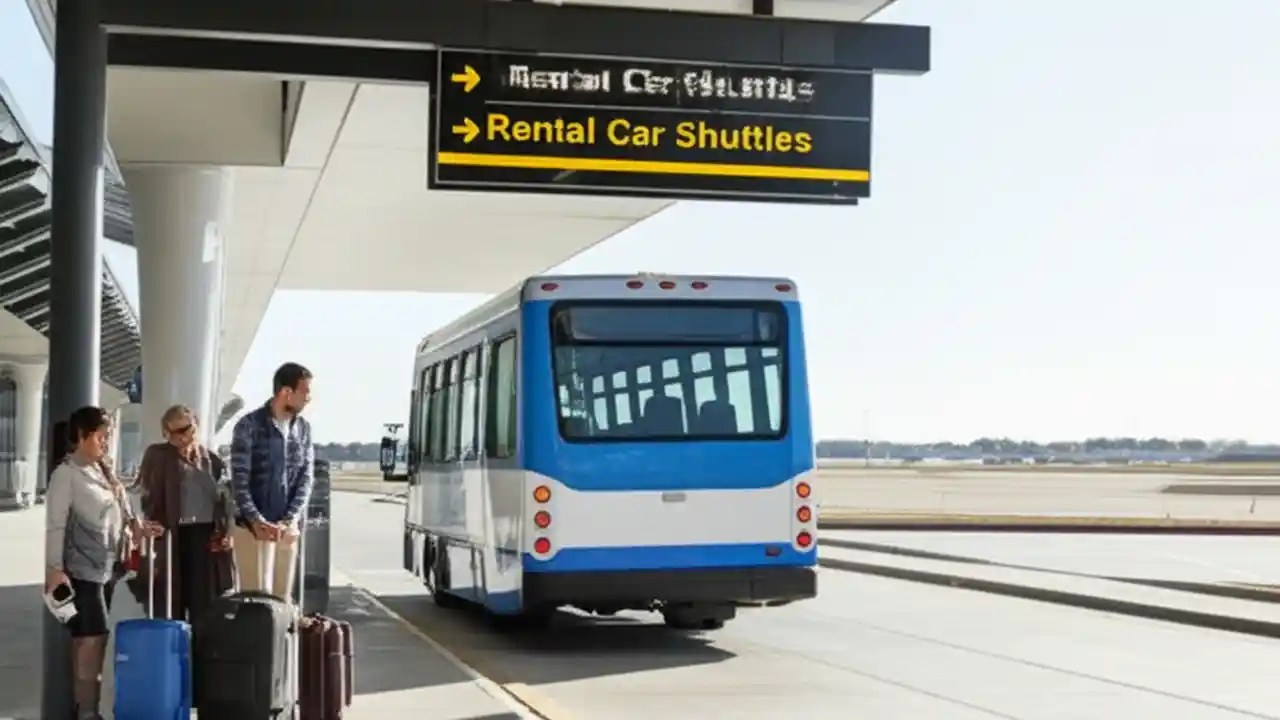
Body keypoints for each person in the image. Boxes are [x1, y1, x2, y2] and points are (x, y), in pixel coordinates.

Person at [44, 406, 163, 720]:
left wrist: (138, 528)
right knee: (89, 640)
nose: (106, 442)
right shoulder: (66, 475)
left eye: (107, 436)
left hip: (108, 567)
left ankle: (90, 708)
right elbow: (56, 525)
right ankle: (85, 711)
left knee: (98, 637)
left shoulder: (103, 471)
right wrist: (54, 568)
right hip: (82, 571)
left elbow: (121, 514)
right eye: (101, 436)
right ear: (82, 436)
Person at [130, 404, 236, 624]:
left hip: (205, 534)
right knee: (170, 598)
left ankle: (200, 651)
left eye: (185, 429)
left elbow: (223, 498)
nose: (180, 437)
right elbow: (141, 491)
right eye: (172, 433)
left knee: (203, 602)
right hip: (172, 534)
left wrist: (227, 530)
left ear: (195, 426)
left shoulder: (211, 460)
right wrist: (143, 523)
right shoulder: (158, 455)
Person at [230, 362, 316, 601]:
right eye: (305, 392)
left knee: (282, 602)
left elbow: (305, 478)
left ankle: (282, 639)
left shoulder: (304, 430)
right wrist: (256, 520)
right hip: (251, 529)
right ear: (285, 392)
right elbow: (240, 480)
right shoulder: (248, 426)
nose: (308, 399)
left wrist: (289, 520)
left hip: (285, 530)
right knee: (254, 601)